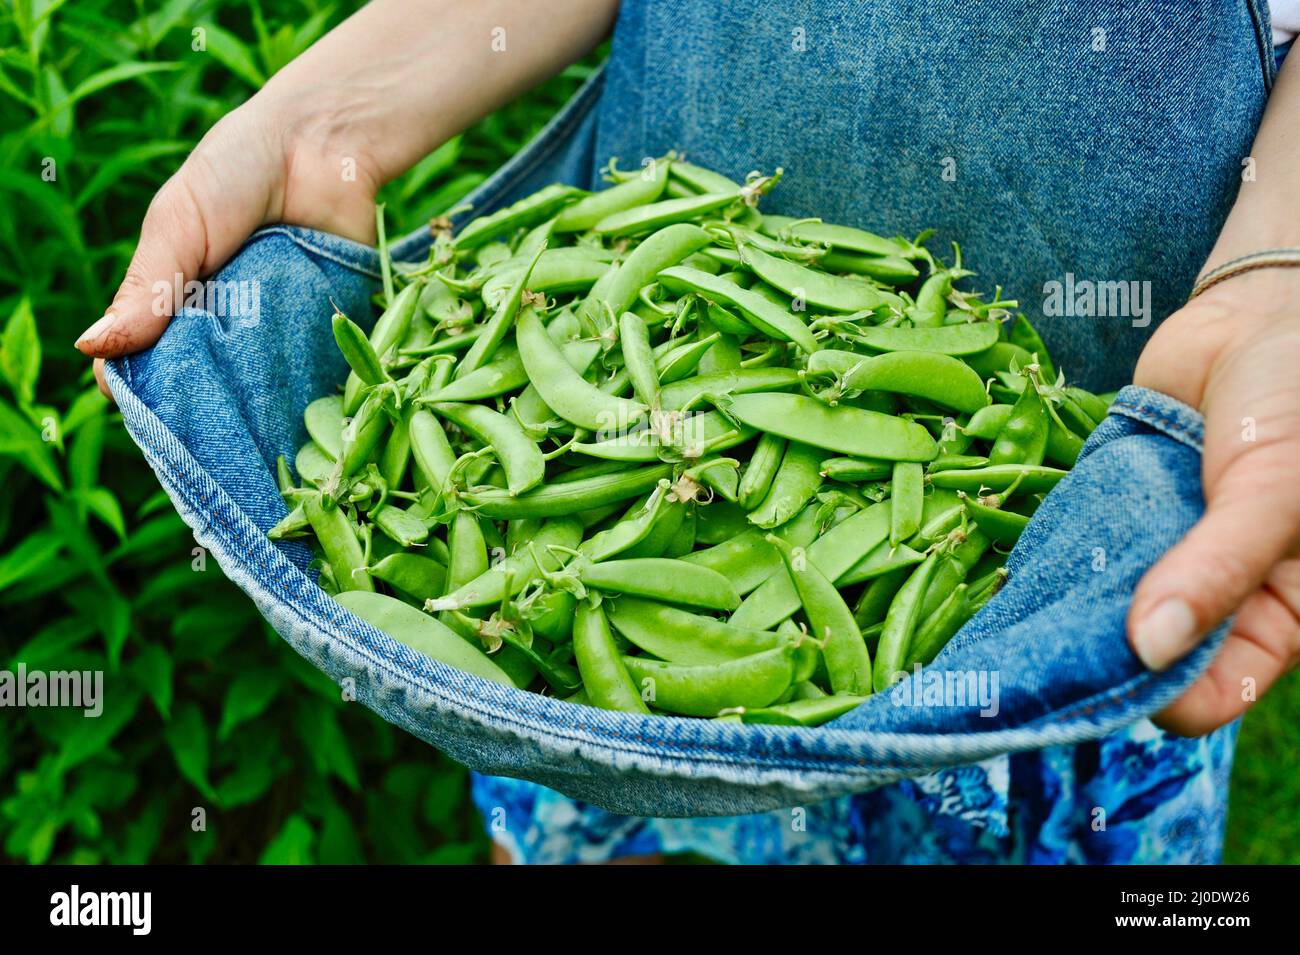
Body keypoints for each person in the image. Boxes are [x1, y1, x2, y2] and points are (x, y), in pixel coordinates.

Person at [77, 0, 1300, 863]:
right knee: (593, 795)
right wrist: (332, 117)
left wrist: (1276, 272)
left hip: (1068, 501)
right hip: (617, 357)